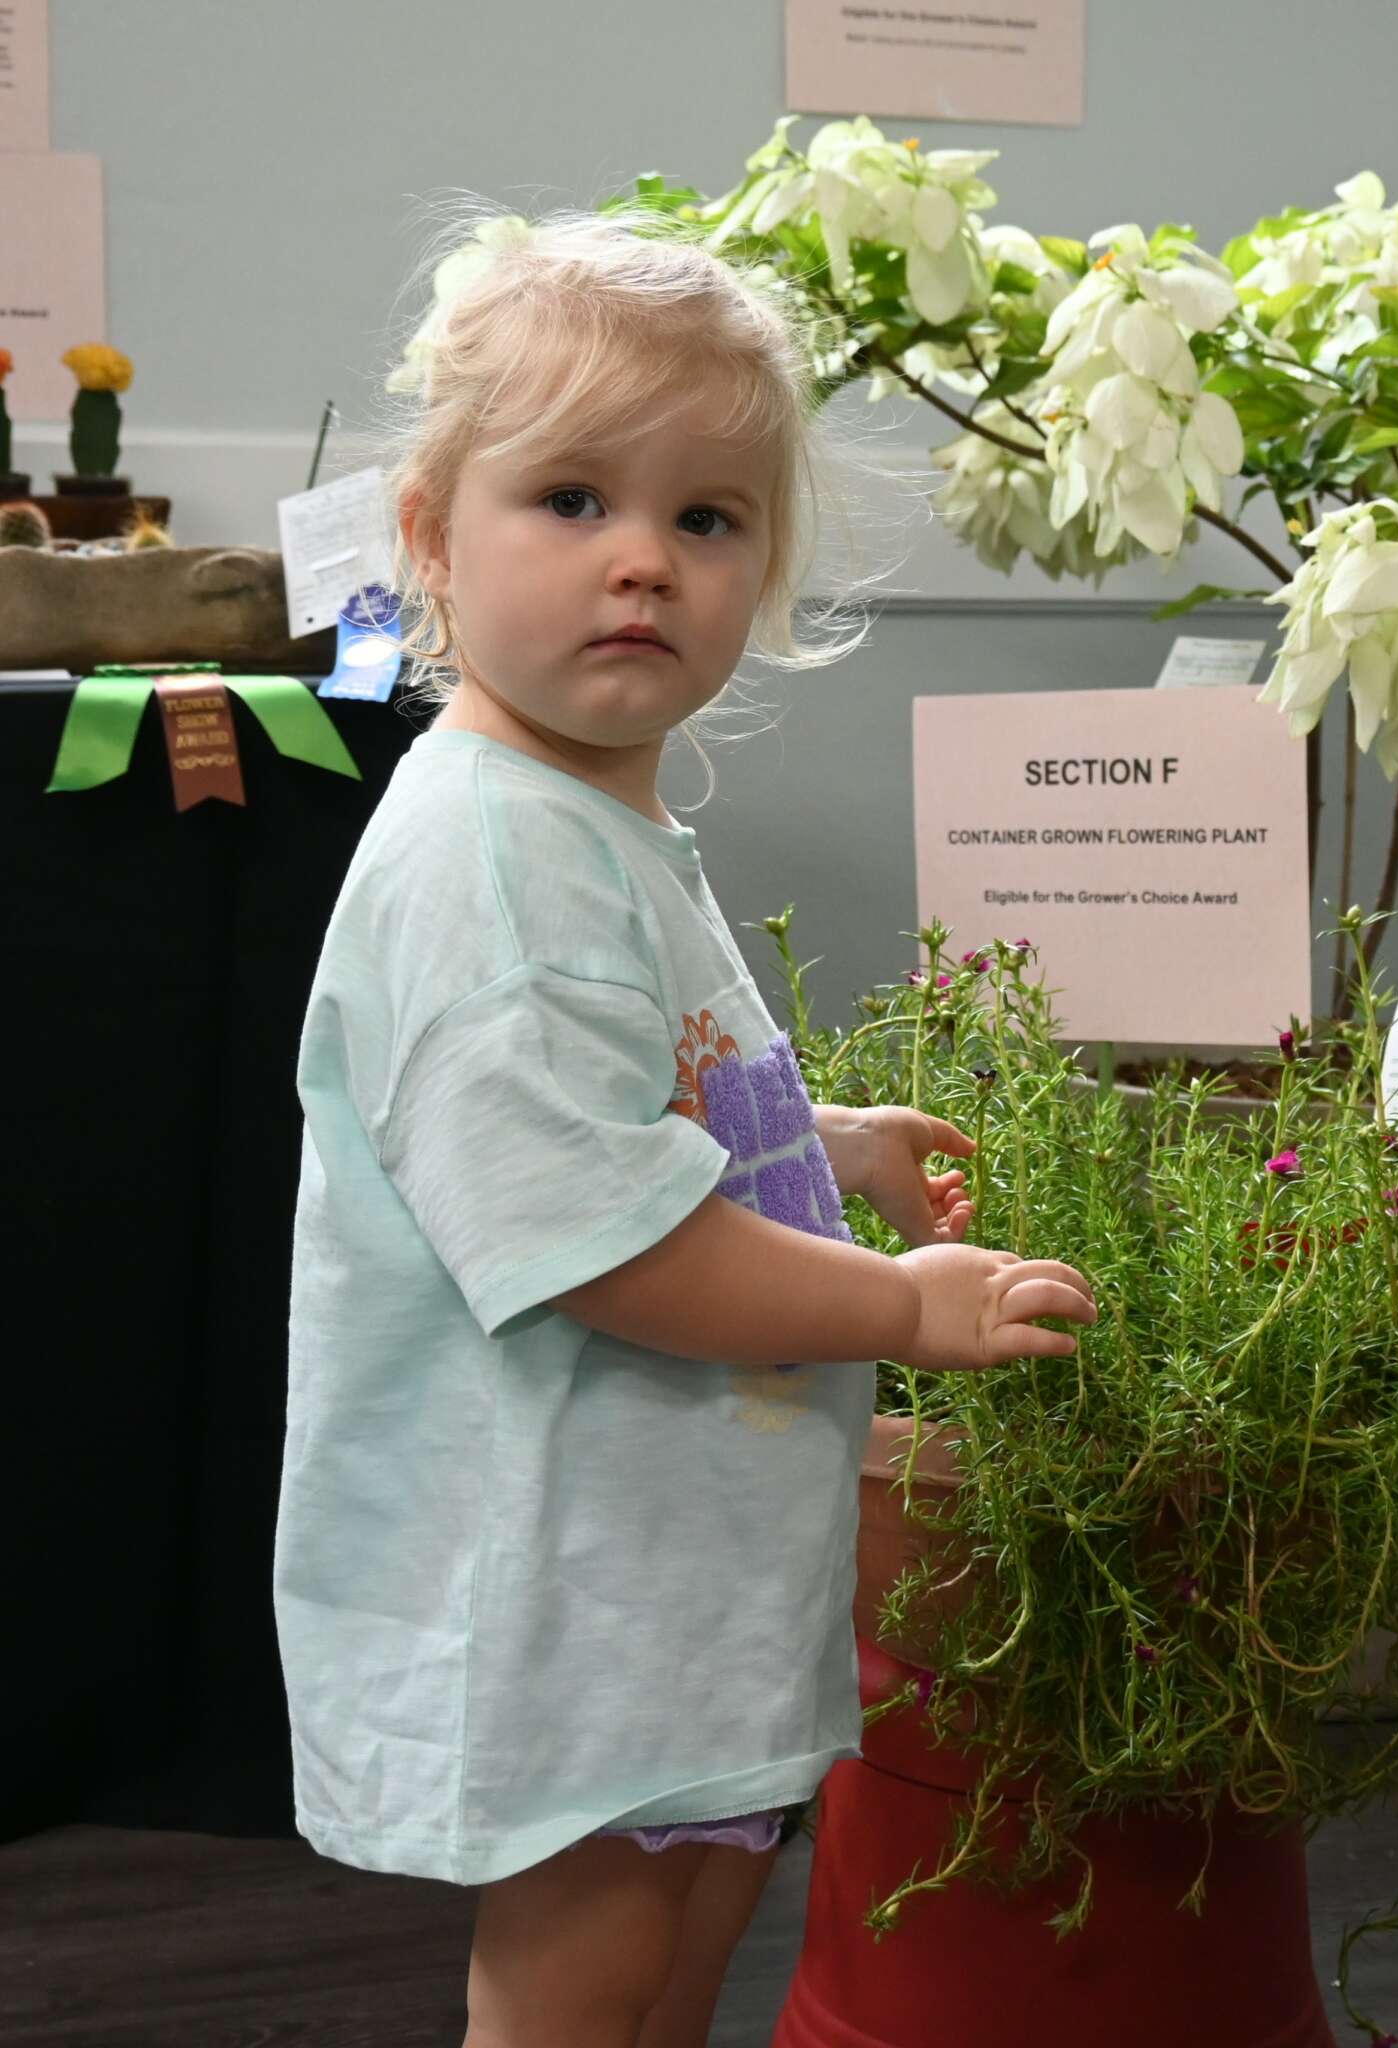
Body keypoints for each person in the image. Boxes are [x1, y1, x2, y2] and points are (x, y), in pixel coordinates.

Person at [277, 210, 1098, 2048]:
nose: (642, 558)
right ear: (429, 535)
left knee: (675, 1963)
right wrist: (910, 1309)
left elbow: (632, 1104)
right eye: (571, 498)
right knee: (586, 1977)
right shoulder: (490, 861)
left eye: (706, 520)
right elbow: (607, 1239)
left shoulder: (580, 826)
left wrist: (829, 1131)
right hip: (573, 1585)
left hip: (675, 1567)